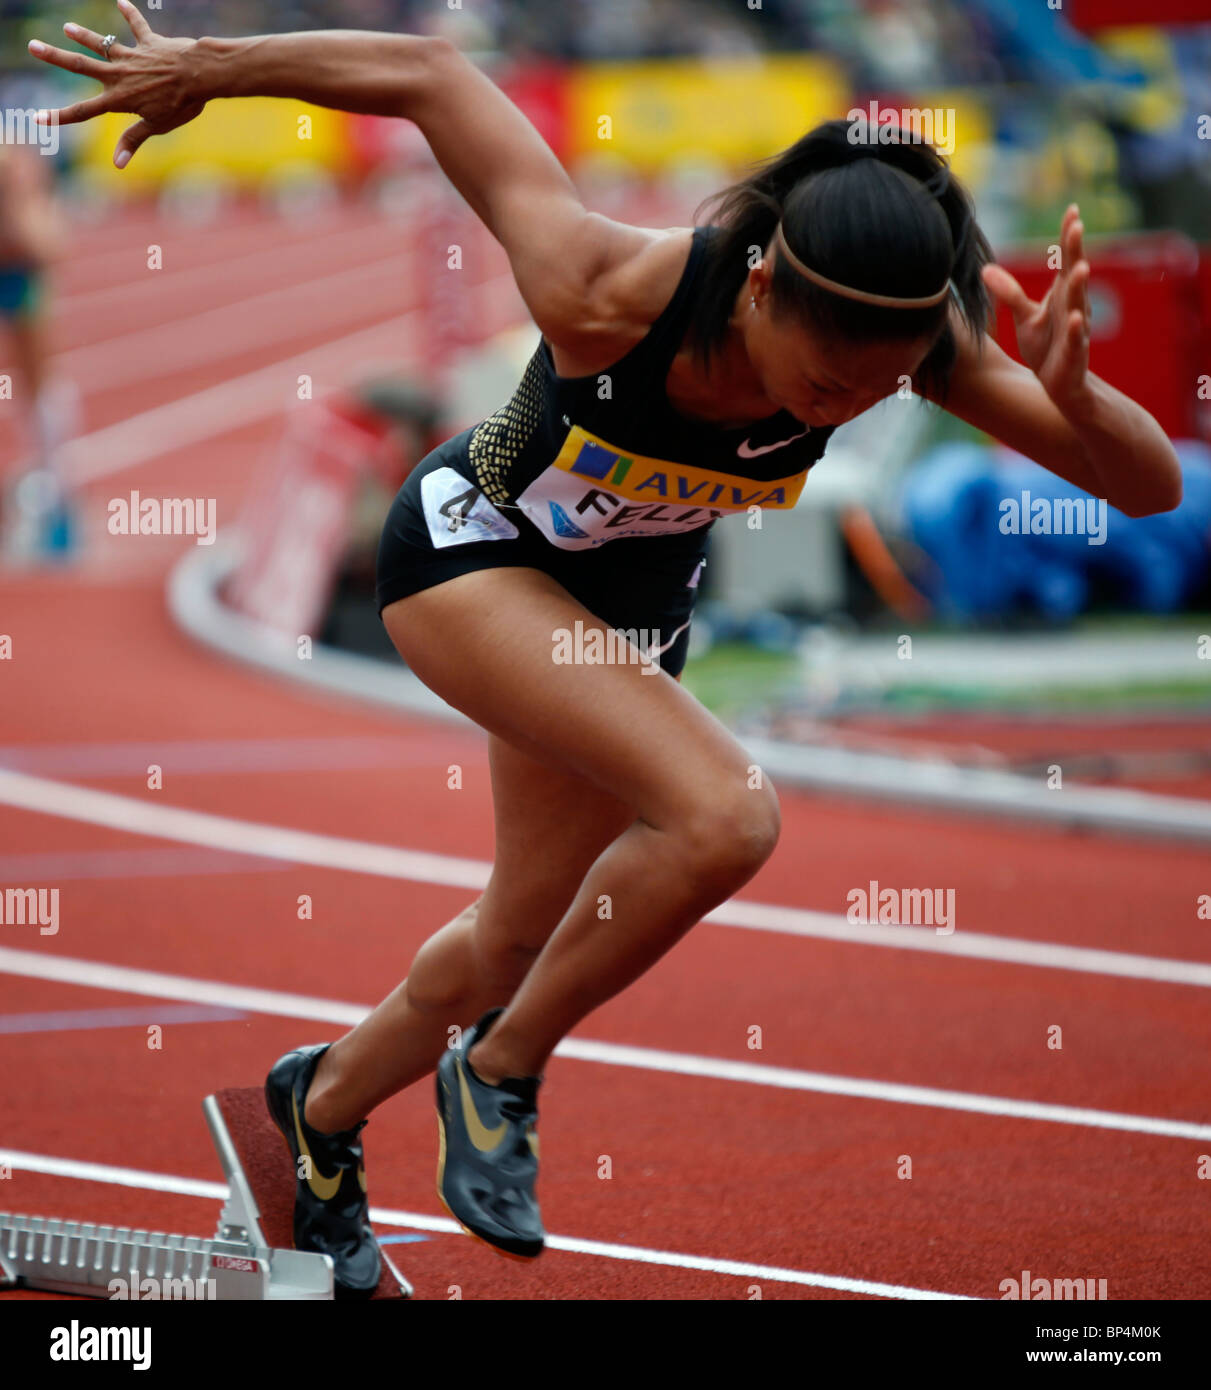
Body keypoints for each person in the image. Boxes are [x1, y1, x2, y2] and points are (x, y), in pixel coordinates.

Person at [31, 1, 1183, 1297]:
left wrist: (1075, 399)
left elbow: (1142, 491)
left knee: (513, 934)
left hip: (622, 625)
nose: (838, 402)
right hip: (473, 557)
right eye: (822, 374)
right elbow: (425, 71)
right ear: (759, 282)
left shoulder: (905, 346)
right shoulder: (601, 282)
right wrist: (207, 66)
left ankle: (317, 1105)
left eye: (876, 387)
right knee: (725, 815)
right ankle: (501, 1070)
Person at [0, 141, 77, 556]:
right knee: (39, 390)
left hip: (18, 274)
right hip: (20, 267)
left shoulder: (14, 158)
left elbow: (43, 241)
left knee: (40, 388)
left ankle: (58, 501)